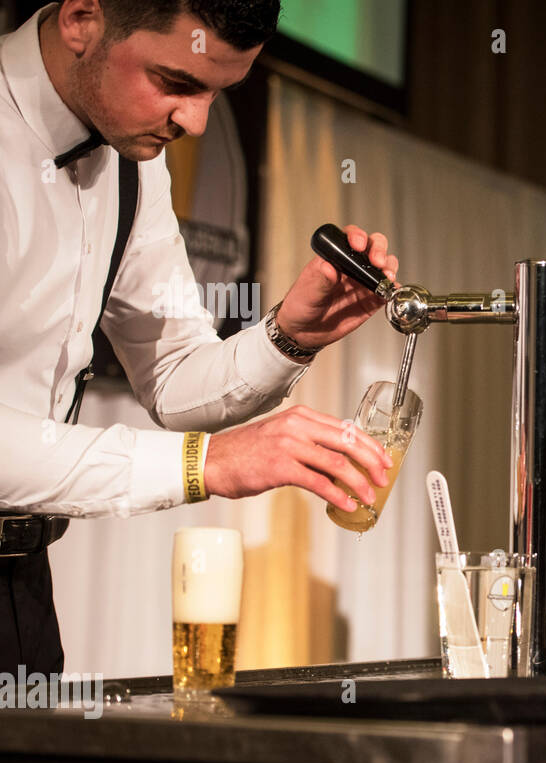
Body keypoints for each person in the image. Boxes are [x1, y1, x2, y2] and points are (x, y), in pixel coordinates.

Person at [1, 1, 399, 674]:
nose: (195, 121)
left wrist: (288, 336)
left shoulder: (134, 161)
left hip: (21, 587)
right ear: (80, 19)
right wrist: (205, 463)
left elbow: (175, 376)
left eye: (216, 92)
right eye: (176, 83)